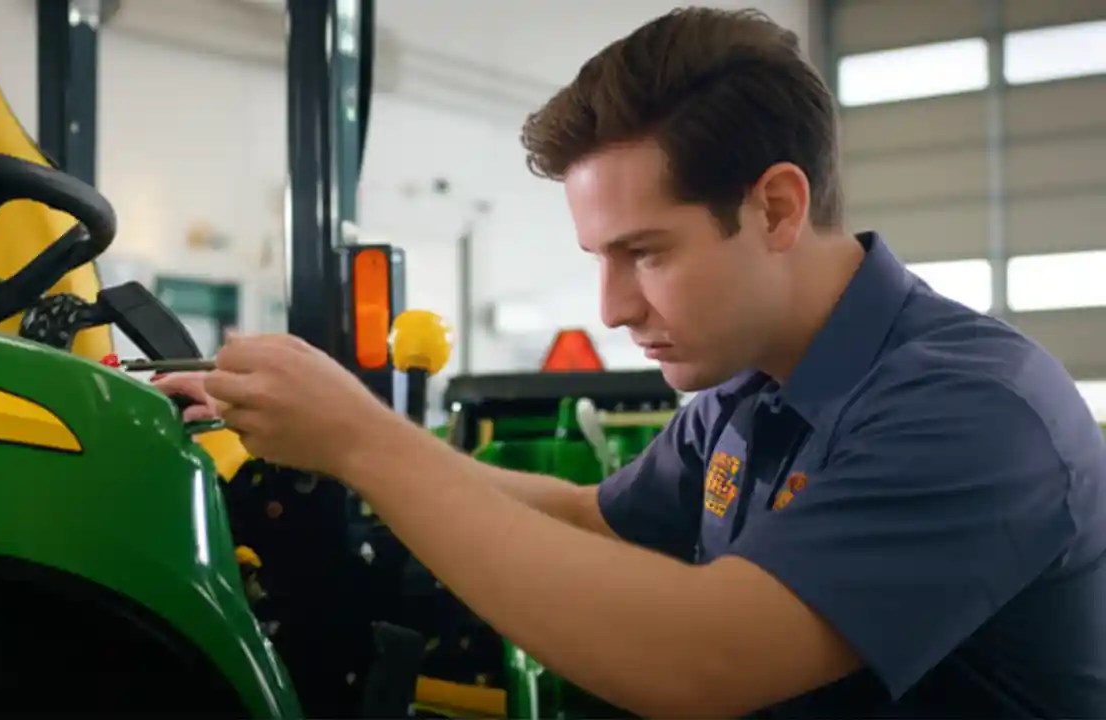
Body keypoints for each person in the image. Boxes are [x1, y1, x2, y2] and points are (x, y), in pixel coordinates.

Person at [156, 7, 1106, 718]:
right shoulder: (746, 389)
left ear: (777, 207)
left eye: (645, 253)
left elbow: (703, 657)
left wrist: (366, 445)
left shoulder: (975, 409)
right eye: (601, 259)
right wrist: (345, 443)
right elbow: (595, 521)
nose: (613, 308)